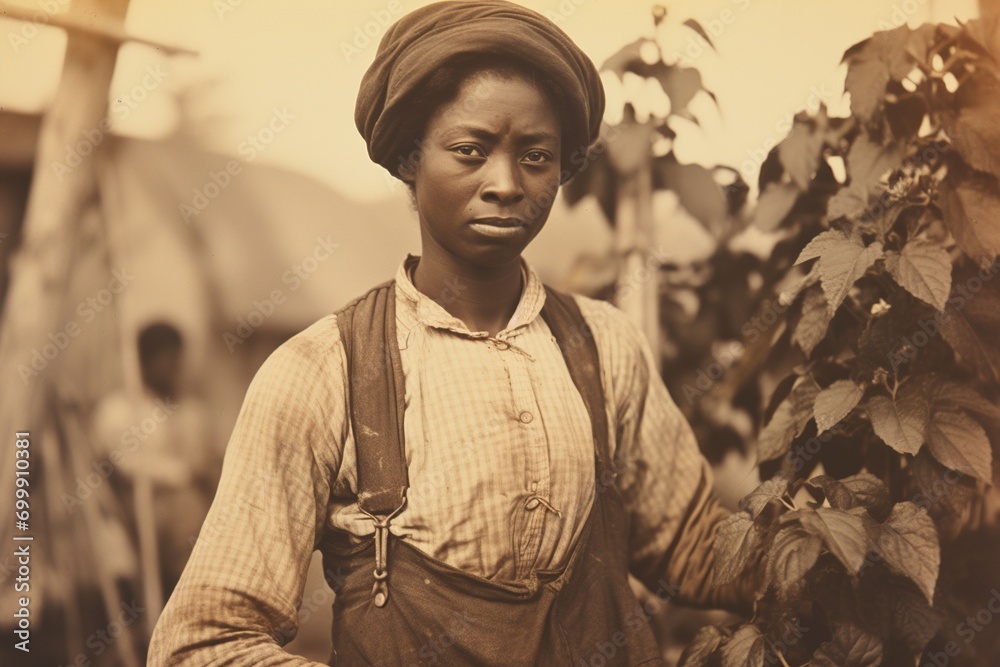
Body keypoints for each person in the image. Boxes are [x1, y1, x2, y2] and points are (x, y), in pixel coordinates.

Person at [148, 2, 752, 664]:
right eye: (470, 150)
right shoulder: (323, 370)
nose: (505, 183)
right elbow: (202, 642)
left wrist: (835, 545)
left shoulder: (605, 347)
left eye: (536, 156)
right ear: (409, 158)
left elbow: (694, 548)